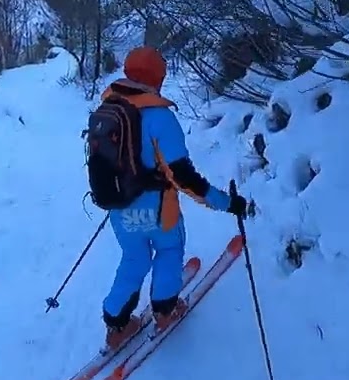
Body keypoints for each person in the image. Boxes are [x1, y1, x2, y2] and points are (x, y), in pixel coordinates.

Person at [94, 46, 247, 349]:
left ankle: (116, 325)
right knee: (169, 251)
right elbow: (183, 177)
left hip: (120, 208)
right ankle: (165, 311)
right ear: (157, 78)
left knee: (133, 258)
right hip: (158, 210)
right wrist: (226, 203)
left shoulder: (107, 111)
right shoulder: (159, 118)